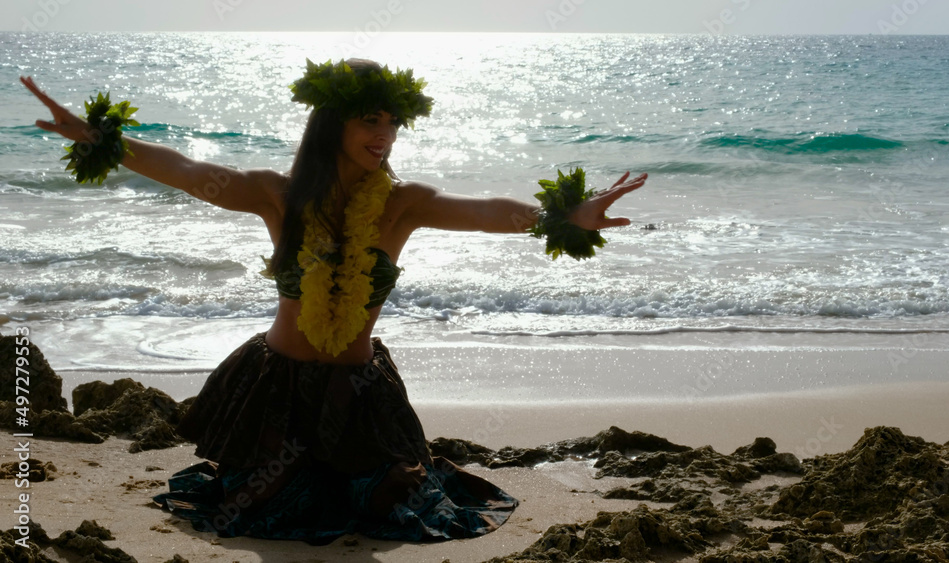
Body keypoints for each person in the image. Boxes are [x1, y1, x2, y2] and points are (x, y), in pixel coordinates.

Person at [20, 59, 646, 544]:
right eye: (371, 120)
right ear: (334, 124)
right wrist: (103, 138)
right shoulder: (279, 195)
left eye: (392, 123)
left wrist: (565, 217)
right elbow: (187, 170)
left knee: (384, 505)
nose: (385, 135)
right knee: (268, 505)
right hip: (276, 390)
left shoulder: (402, 204)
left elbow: (489, 213)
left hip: (360, 394)